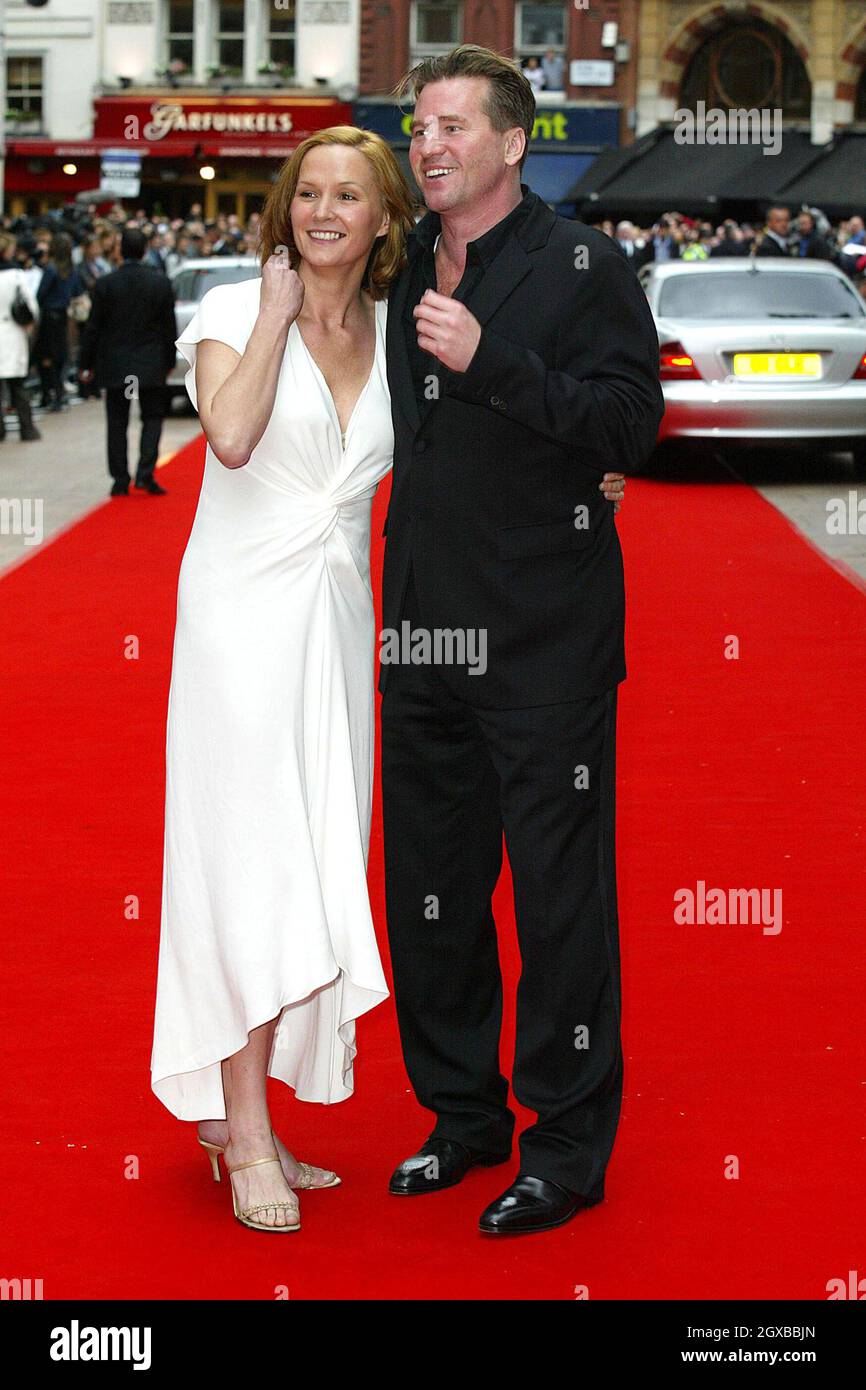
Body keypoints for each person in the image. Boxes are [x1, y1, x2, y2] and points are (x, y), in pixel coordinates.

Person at [149, 120, 628, 1235]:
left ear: (380, 222)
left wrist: (592, 468)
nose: (323, 210)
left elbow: (481, 438)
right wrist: (269, 316)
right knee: (246, 857)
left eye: (348, 195)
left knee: (318, 853)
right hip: (238, 625)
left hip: (343, 621)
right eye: (306, 192)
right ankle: (246, 1128)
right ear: (285, 209)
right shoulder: (232, 310)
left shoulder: (393, 322)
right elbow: (226, 437)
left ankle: (245, 1115)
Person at [380, 44, 663, 1236]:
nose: (428, 145)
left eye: (451, 126)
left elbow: (627, 423)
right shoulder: (400, 270)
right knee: (431, 895)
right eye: (418, 128)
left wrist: (494, 368)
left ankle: (564, 1143)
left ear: (510, 142)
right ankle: (462, 1115)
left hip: (543, 641)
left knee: (557, 904)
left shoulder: (585, 265)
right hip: (423, 637)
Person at [78, 226, 177, 497]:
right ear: (145, 250)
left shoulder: (106, 284)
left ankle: (120, 478)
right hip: (150, 361)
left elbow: (93, 328)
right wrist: (169, 360)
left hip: (118, 363)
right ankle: (145, 474)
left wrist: (85, 363)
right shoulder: (160, 282)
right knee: (152, 417)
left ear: (121, 249)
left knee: (118, 421)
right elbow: (169, 327)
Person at [35, 231, 84, 411]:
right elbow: (77, 291)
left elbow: (40, 294)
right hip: (63, 315)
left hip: (49, 315)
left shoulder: (51, 269)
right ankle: (59, 393)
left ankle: (50, 393)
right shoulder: (71, 270)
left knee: (46, 357)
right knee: (61, 357)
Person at [0, 232, 41, 443]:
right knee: (18, 384)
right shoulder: (17, 276)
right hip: (13, 332)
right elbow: (31, 305)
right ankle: (27, 428)